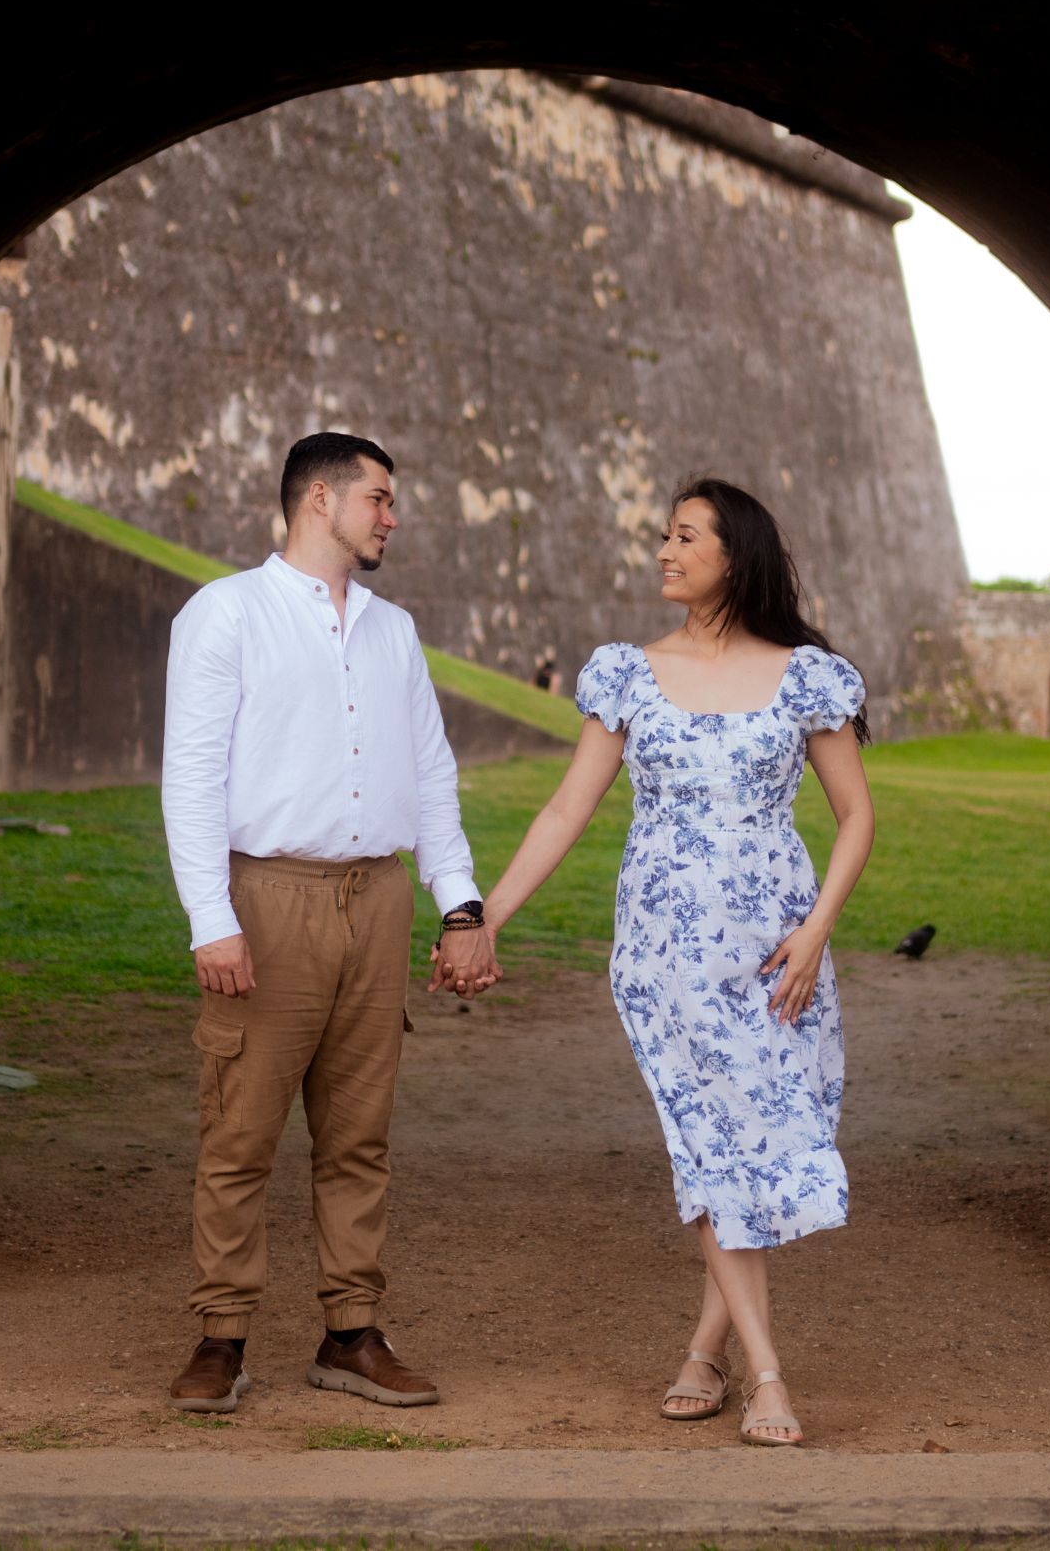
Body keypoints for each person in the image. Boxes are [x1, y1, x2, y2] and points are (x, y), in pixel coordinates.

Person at [437, 478, 873, 1446]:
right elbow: (564, 811)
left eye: (686, 537)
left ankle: (702, 1352)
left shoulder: (804, 675)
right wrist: (486, 916)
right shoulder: (628, 674)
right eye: (665, 536)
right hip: (667, 956)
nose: (665, 551)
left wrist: (816, 931)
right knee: (711, 1146)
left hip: (779, 957)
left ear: (734, 555)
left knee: (756, 1147)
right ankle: (766, 1376)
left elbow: (858, 820)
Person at [158, 432, 486, 1416]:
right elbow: (192, 775)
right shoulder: (225, 616)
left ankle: (352, 1332)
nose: (392, 516)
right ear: (319, 501)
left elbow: (431, 777)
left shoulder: (394, 632)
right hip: (268, 900)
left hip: (376, 900)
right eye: (378, 499)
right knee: (241, 1129)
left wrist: (459, 906)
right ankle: (222, 1336)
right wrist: (211, 919)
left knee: (358, 1135)